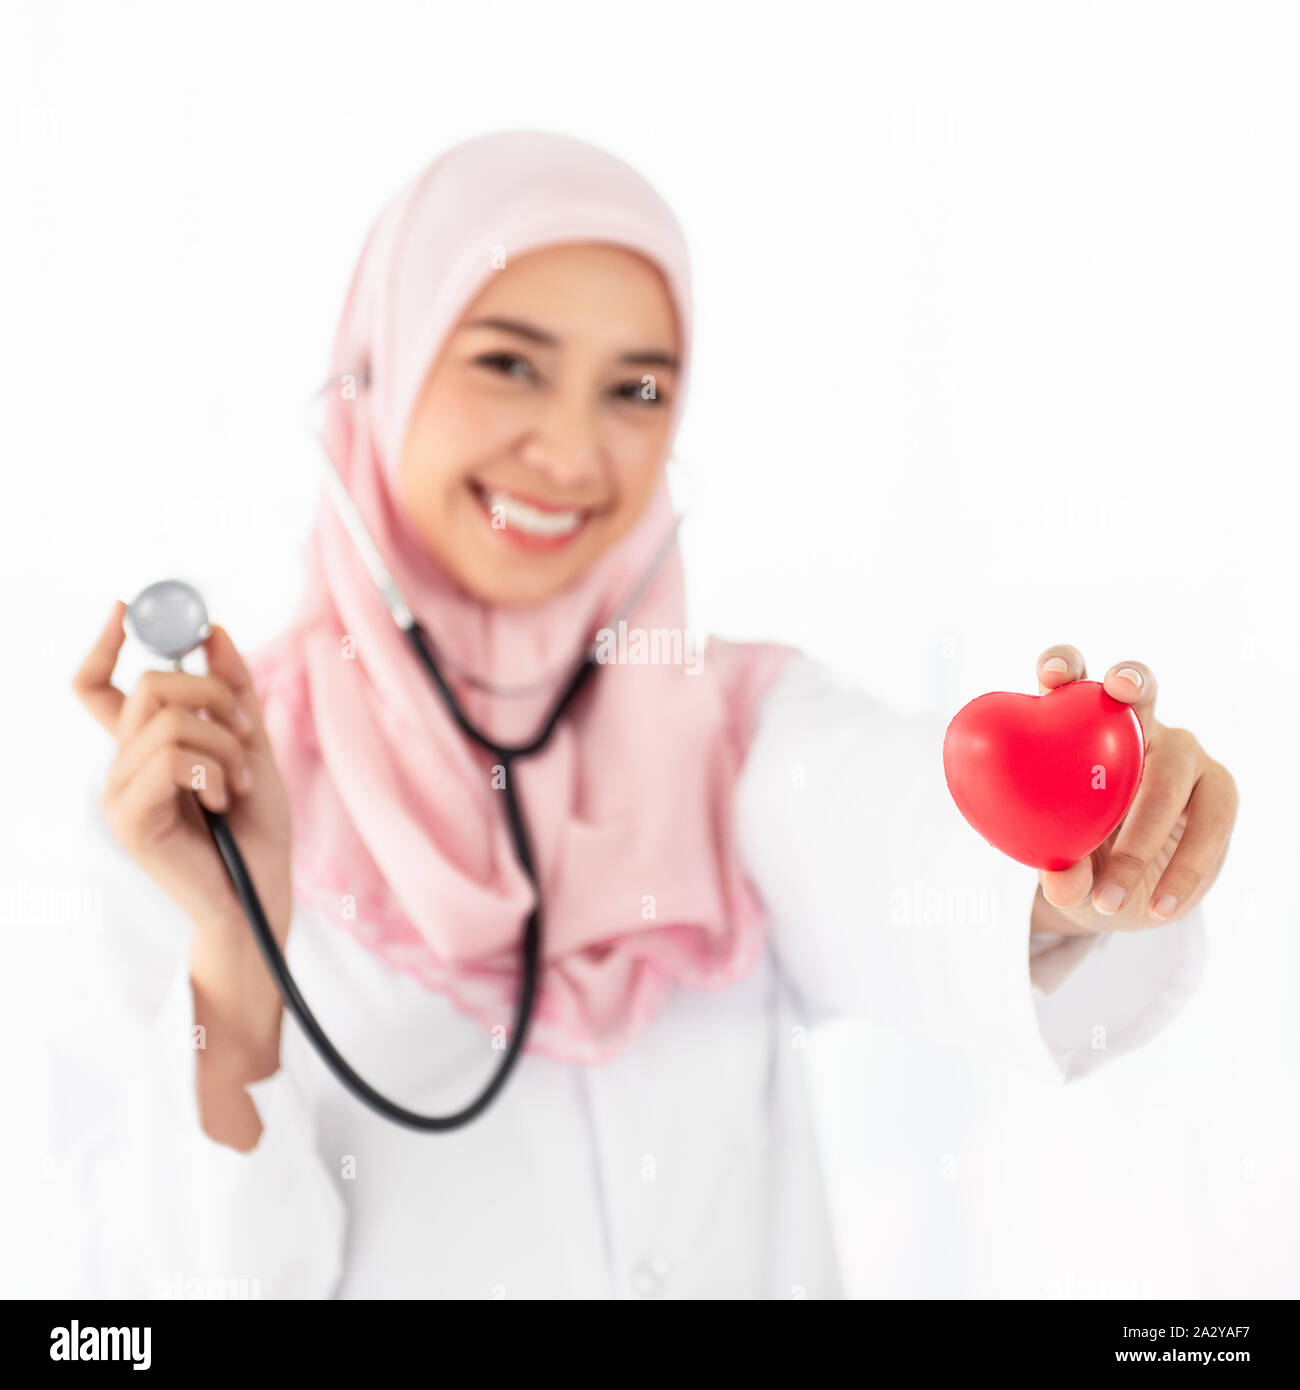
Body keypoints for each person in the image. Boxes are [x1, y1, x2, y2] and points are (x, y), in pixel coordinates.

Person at [69, 130, 1237, 1299]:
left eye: (636, 388)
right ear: (379, 372)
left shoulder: (731, 727)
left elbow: (898, 835)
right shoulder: (196, 801)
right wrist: (236, 948)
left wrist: (1079, 846)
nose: (572, 450)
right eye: (508, 363)